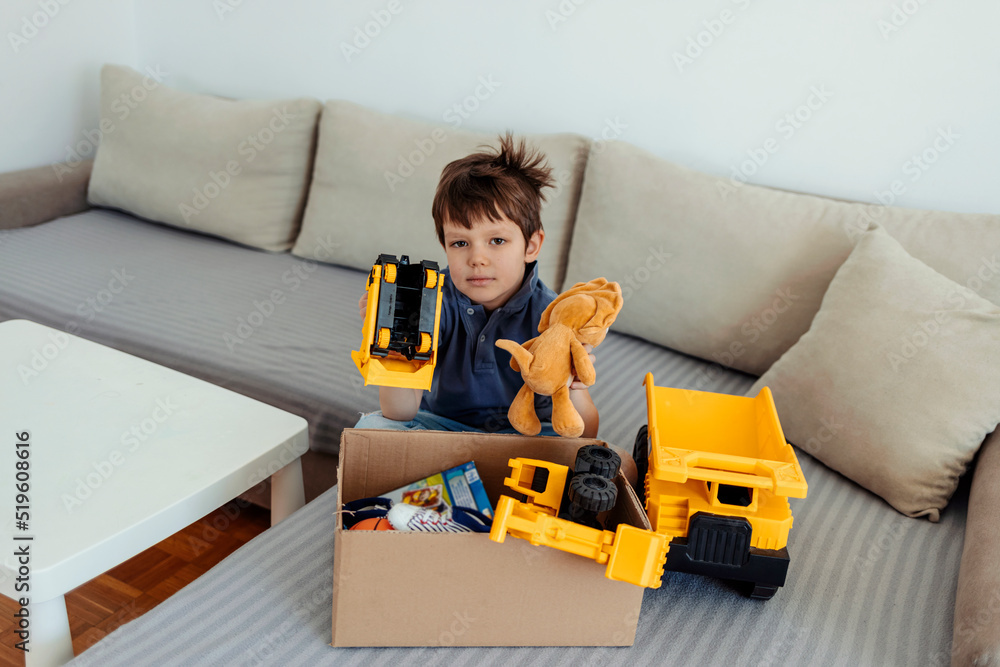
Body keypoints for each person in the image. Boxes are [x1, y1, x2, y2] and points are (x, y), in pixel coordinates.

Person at [354, 132, 599, 438]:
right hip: (442, 429)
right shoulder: (433, 302)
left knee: (586, 451)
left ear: (531, 246)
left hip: (527, 435)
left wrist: (575, 387)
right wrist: (392, 347)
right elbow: (400, 413)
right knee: (373, 428)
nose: (477, 259)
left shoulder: (552, 316)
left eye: (497, 240)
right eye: (460, 243)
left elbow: (586, 433)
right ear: (444, 246)